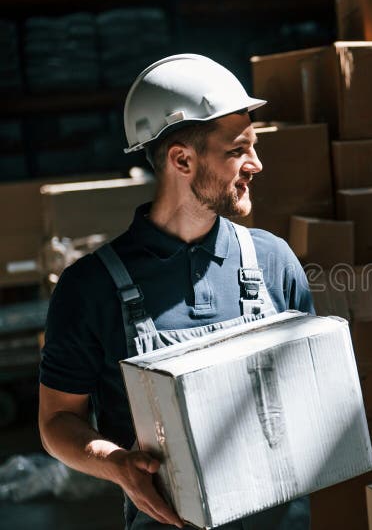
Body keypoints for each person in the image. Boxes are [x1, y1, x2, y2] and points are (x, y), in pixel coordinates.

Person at [37, 54, 313, 529]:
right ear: (182, 159)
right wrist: (115, 462)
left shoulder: (273, 261)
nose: (257, 164)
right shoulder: (90, 288)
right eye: (238, 150)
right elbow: (56, 421)